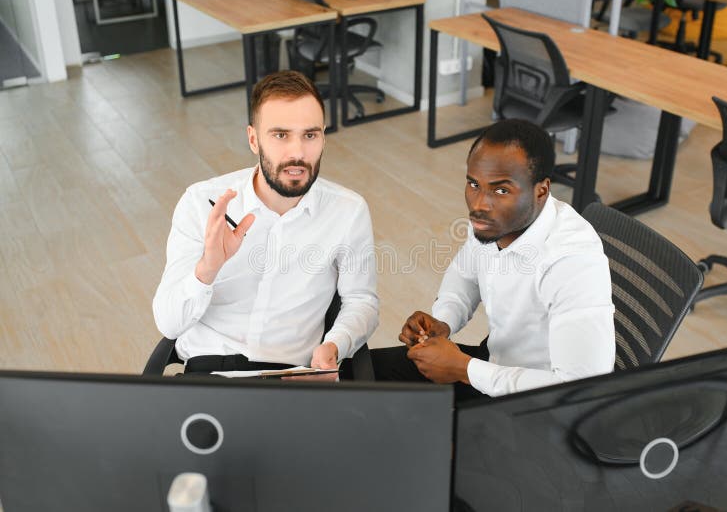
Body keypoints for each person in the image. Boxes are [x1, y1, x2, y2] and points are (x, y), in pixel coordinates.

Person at [153, 70, 378, 375]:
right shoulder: (200, 202)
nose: (297, 153)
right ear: (253, 140)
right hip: (209, 372)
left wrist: (336, 344)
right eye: (280, 135)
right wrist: (207, 269)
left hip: (289, 377)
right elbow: (169, 324)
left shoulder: (348, 211)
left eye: (310, 135)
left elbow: (361, 300)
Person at [371, 119, 615, 400]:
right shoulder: (494, 221)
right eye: (474, 184)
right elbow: (464, 276)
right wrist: (443, 322)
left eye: (501, 190)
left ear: (541, 190)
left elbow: (581, 390)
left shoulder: (571, 262)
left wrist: (465, 370)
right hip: (494, 366)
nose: (479, 204)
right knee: (359, 376)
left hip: (536, 405)